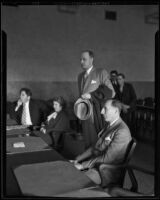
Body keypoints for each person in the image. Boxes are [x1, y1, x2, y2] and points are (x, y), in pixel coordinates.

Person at [71, 99, 132, 185]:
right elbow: (95, 147)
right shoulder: (109, 125)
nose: (101, 111)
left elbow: (107, 159)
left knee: (76, 181)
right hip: (97, 164)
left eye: (105, 109)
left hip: (106, 171)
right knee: (70, 173)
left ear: (116, 111)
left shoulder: (122, 131)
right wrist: (77, 159)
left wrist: (82, 165)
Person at [77, 50, 115, 149]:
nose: (81, 62)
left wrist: (92, 95)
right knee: (87, 140)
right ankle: (88, 161)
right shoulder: (80, 76)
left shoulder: (100, 72)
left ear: (91, 59)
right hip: (85, 113)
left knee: (98, 141)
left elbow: (111, 92)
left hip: (97, 113)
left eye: (84, 59)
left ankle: (98, 161)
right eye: (80, 59)